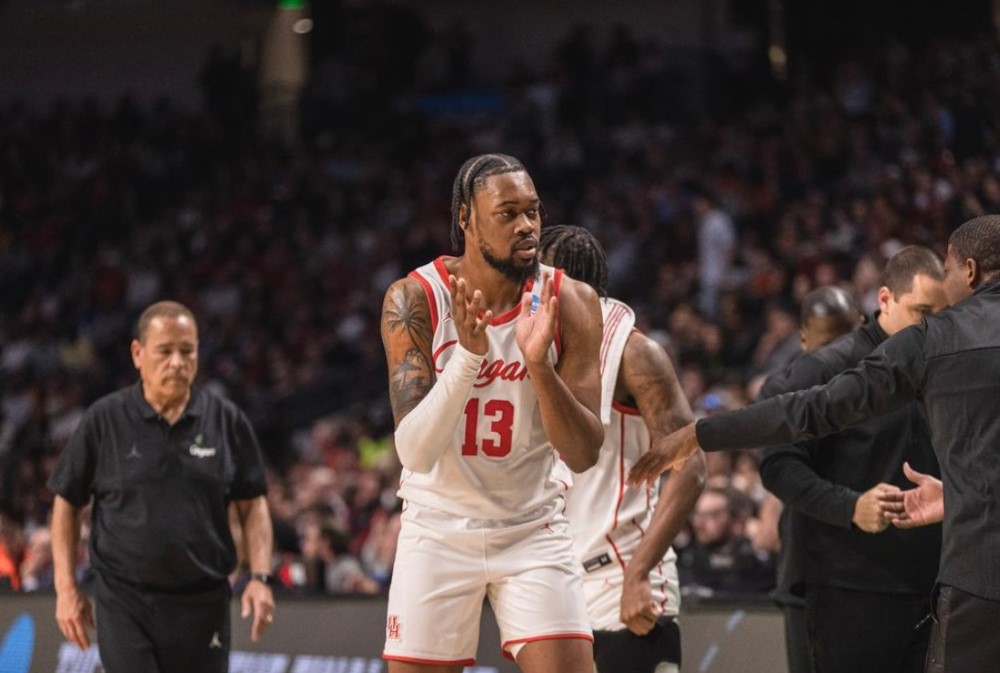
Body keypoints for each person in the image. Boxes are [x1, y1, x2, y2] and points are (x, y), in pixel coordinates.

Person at [628, 215, 1000, 673]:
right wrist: (951, 495)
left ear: (968, 271)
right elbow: (782, 461)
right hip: (852, 585)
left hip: (968, 579)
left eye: (946, 276)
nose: (943, 301)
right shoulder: (883, 351)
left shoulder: (936, 339)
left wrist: (702, 432)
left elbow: (810, 410)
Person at [379, 154, 605, 673]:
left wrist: (539, 365)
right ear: (466, 219)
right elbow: (414, 450)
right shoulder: (415, 298)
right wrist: (470, 354)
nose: (527, 225)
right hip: (437, 528)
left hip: (532, 526)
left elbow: (583, 452)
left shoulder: (570, 301)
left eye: (533, 211)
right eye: (508, 213)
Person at [48, 300, 275, 673]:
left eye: (187, 351)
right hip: (125, 600)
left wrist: (261, 577)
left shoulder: (227, 420)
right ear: (138, 354)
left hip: (205, 601)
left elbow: (254, 505)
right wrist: (66, 588)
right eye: (165, 351)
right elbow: (66, 502)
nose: (177, 362)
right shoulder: (104, 419)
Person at [759, 246, 948, 673]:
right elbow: (778, 465)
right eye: (921, 311)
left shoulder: (943, 368)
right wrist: (850, 506)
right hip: (845, 590)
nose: (933, 326)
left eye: (942, 314)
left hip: (929, 588)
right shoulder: (823, 370)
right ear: (884, 299)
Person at [538, 224, 706, 673]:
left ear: (564, 286)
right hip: (561, 585)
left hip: (623, 580)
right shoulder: (542, 351)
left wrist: (639, 573)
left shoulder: (636, 354)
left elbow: (692, 468)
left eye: (538, 279)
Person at [758, 283, 863, 673]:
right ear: (803, 340)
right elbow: (780, 471)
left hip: (881, 571)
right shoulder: (784, 388)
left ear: (864, 327)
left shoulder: (891, 383)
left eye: (847, 339)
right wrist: (851, 507)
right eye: (828, 343)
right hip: (811, 569)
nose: (839, 354)